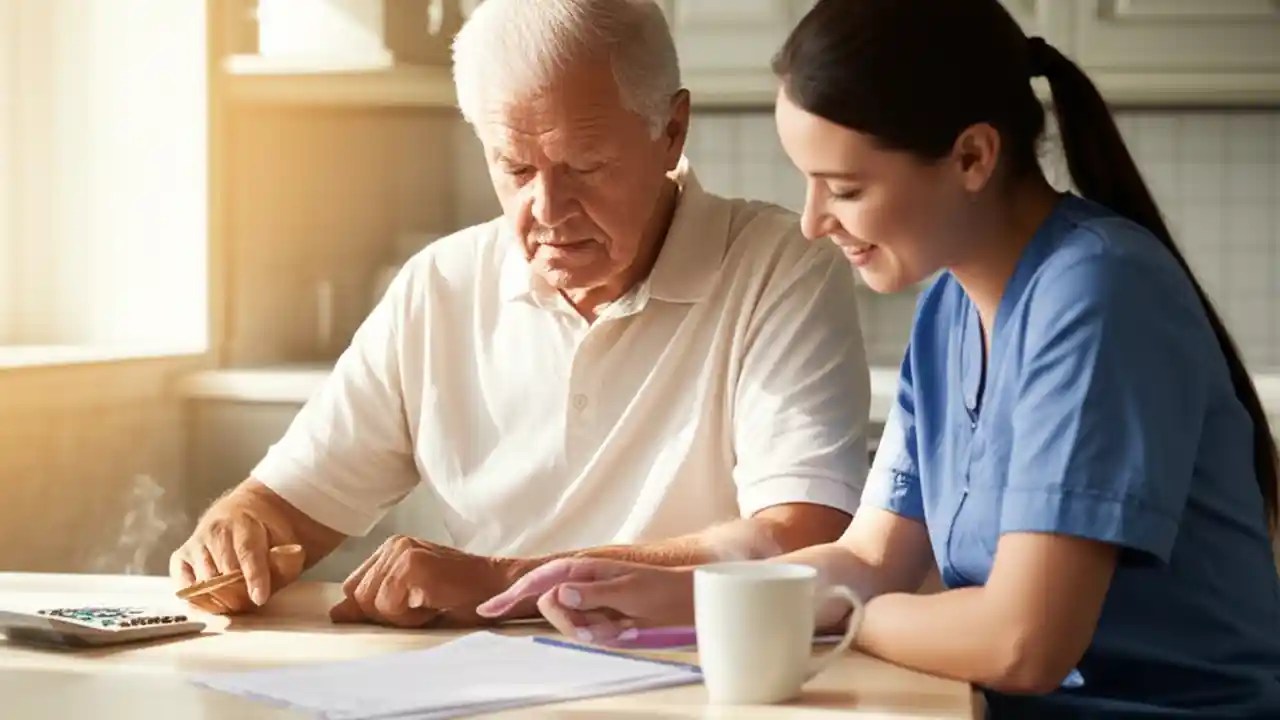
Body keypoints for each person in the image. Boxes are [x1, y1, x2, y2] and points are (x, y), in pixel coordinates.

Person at [477, 0, 1280, 715]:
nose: (812, 222)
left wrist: (849, 616)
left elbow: (1022, 644)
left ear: (972, 158)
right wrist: (687, 593)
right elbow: (871, 555)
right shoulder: (949, 311)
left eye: (845, 188)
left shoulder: (1098, 295)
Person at [169, 0, 871, 628]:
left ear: (672, 131)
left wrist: (506, 582)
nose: (548, 210)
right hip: (489, 687)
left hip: (702, 679)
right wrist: (235, 530)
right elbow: (287, 507)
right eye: (515, 167)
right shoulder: (439, 287)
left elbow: (800, 535)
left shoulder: (780, 265)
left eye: (586, 164)